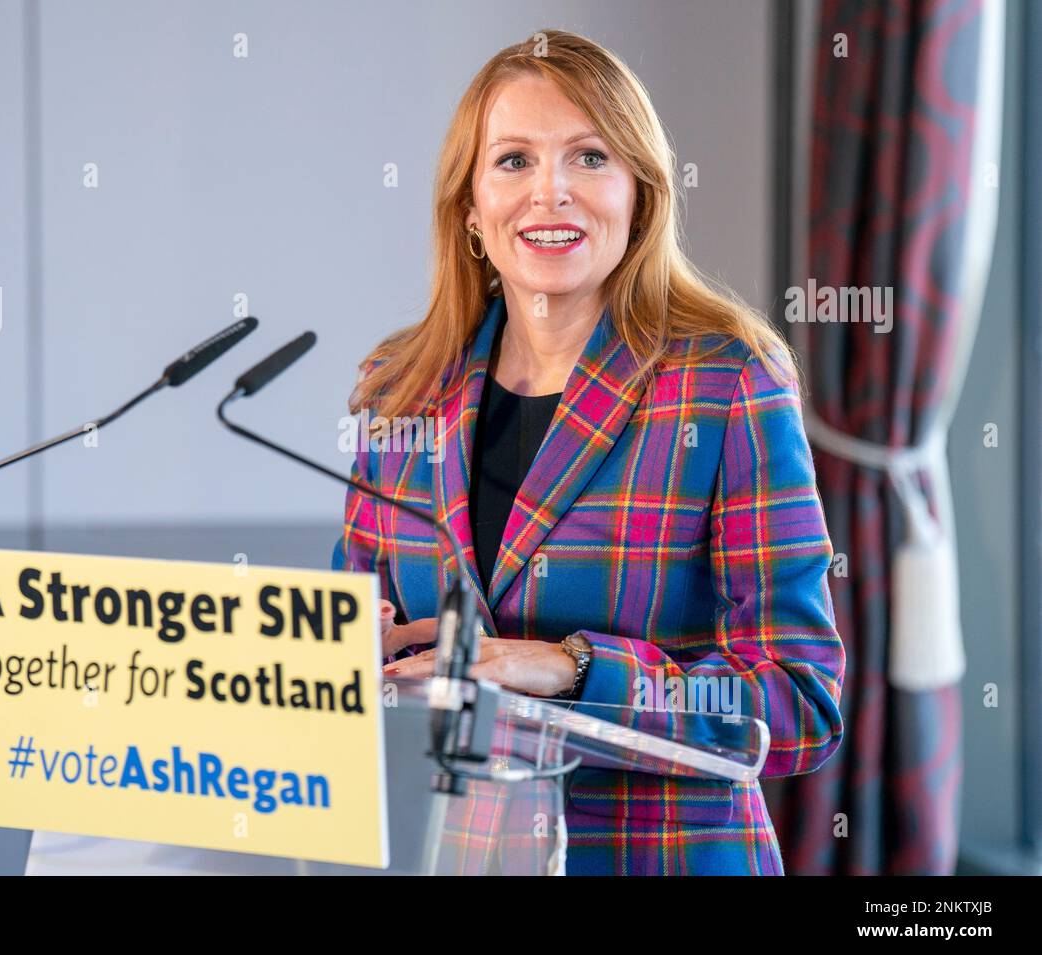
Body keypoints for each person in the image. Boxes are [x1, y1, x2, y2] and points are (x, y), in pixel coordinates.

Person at [332, 28, 845, 875]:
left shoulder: (728, 384)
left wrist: (574, 670)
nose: (551, 193)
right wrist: (349, 653)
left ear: (640, 195)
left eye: (589, 157)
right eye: (514, 162)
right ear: (469, 207)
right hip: (451, 853)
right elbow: (347, 643)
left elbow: (799, 705)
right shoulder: (398, 390)